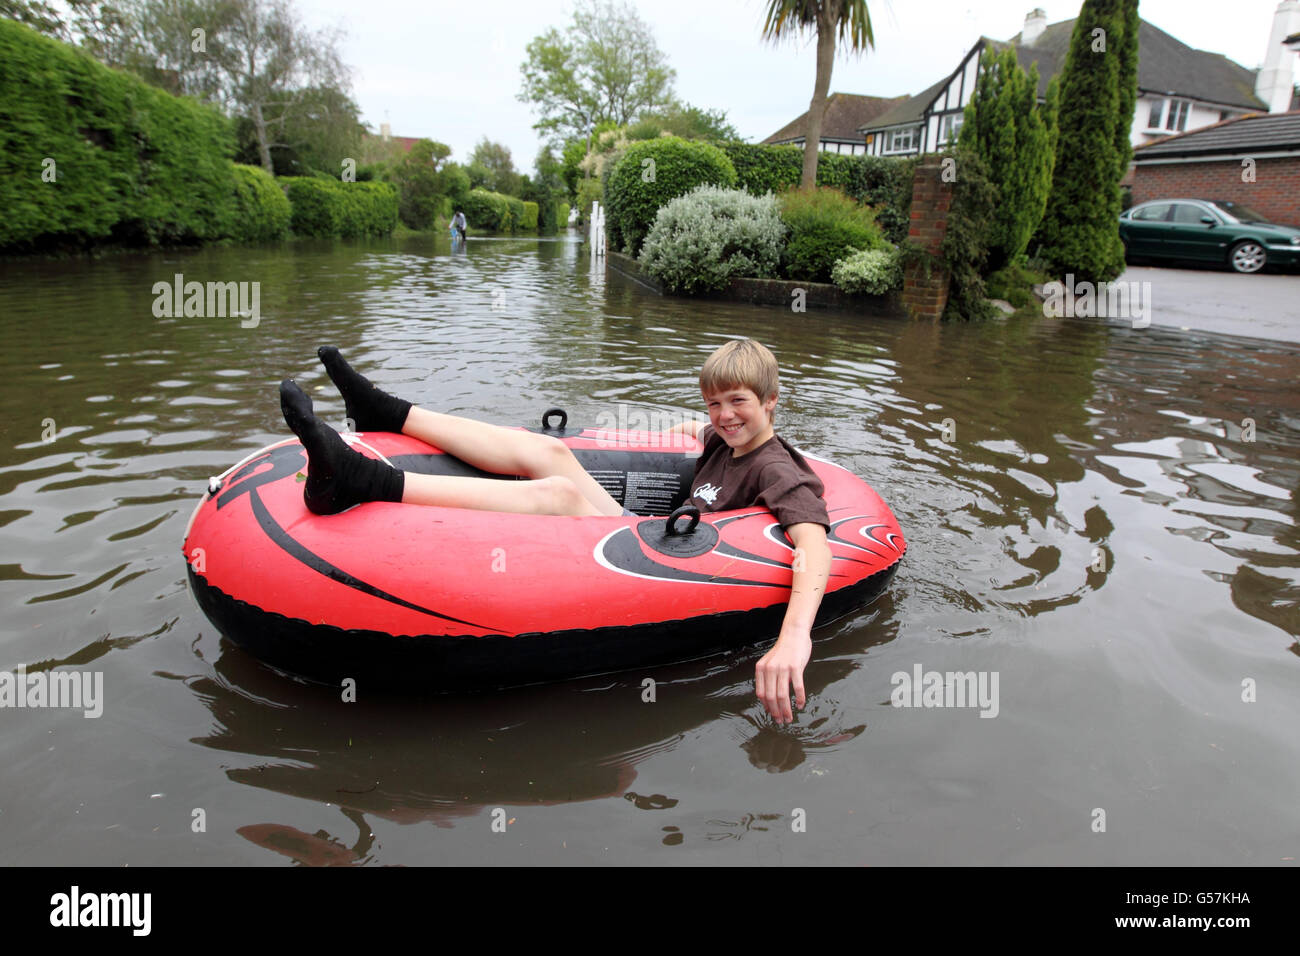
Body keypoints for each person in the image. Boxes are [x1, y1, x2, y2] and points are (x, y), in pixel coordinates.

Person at [278, 339, 831, 724]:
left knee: (561, 495)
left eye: (739, 403)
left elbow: (813, 544)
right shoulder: (721, 438)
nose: (724, 416)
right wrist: (665, 435)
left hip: (658, 559)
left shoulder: (776, 470)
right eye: (715, 403)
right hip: (649, 533)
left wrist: (793, 638)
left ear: (771, 402)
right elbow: (692, 430)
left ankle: (365, 481)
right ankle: (386, 412)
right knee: (551, 450)